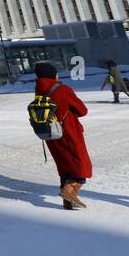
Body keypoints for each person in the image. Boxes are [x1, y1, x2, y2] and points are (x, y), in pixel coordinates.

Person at [31, 62, 92, 209]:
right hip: (68, 132)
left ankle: (68, 201)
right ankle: (69, 190)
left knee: (64, 165)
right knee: (80, 164)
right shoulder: (62, 89)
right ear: (53, 74)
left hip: (50, 133)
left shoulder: (39, 90)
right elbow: (82, 110)